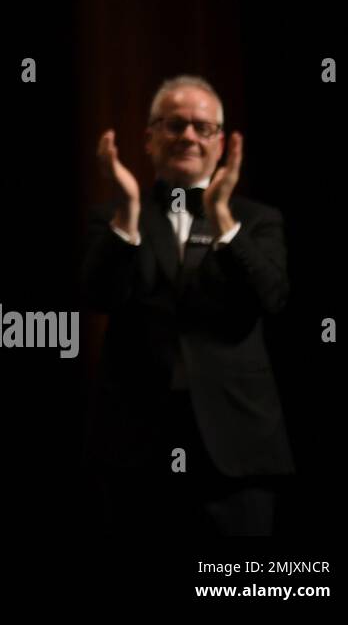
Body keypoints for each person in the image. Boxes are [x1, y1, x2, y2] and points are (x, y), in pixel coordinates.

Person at [82, 75, 293, 536]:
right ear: (149, 138)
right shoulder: (113, 215)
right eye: (175, 125)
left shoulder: (257, 220)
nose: (189, 137)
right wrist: (128, 212)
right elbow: (98, 298)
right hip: (134, 449)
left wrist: (222, 218)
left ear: (221, 142)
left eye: (203, 127)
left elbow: (270, 300)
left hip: (238, 447)